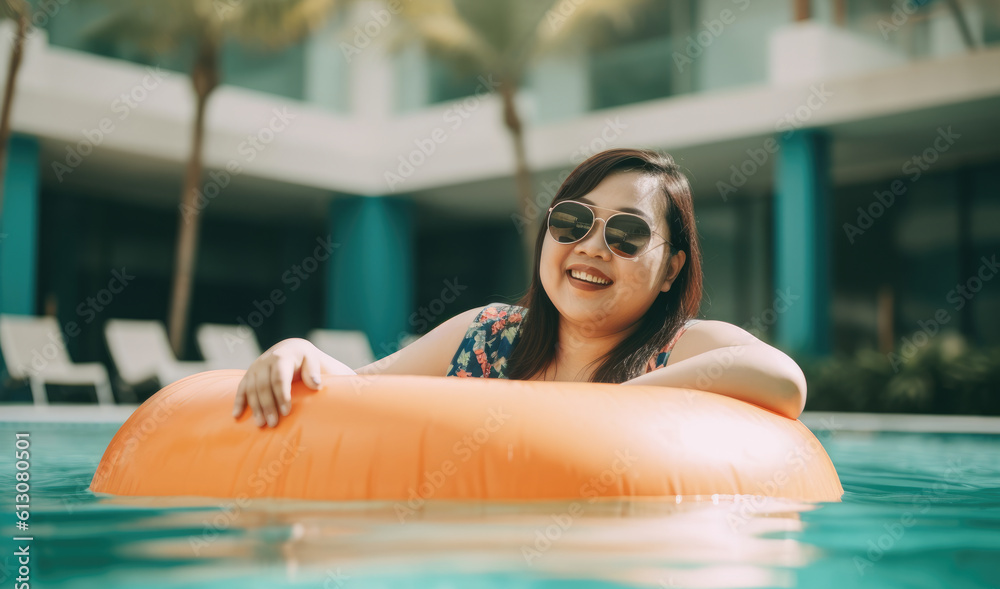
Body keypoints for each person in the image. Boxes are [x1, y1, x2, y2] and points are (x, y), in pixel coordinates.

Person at [232, 148, 807, 428]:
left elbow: (783, 380)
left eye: (628, 234)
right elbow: (357, 389)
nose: (591, 247)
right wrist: (297, 351)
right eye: (573, 221)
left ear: (671, 270)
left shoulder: (676, 348)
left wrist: (616, 402)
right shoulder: (488, 337)